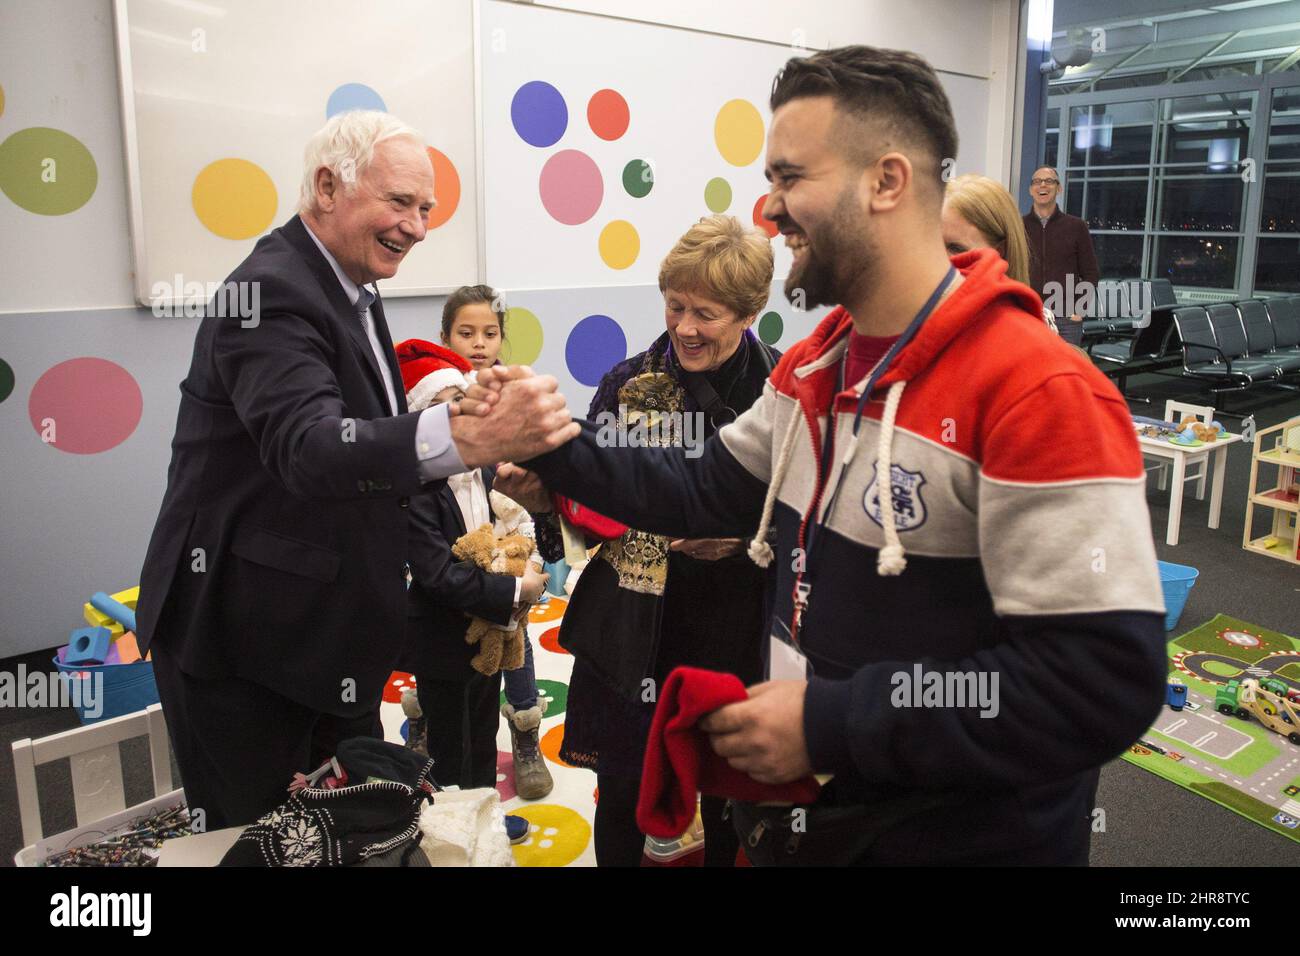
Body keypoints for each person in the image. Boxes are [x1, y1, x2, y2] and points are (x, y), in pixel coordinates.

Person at [489, 46, 1167, 865]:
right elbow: (699, 486)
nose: (770, 212)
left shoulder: (1038, 390)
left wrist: (829, 722)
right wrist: (549, 442)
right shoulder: (817, 365)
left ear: (886, 182)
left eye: (789, 178)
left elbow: (1099, 682)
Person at [135, 110, 578, 830]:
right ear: (327, 187)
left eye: (427, 208)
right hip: (245, 643)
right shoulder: (271, 294)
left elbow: (370, 440)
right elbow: (311, 448)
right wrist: (464, 437)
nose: (418, 226)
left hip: (326, 637)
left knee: (353, 824)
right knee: (262, 838)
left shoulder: (352, 288)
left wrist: (479, 457)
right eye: (400, 202)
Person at [503, 215, 779, 867]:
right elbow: (584, 519)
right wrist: (546, 502)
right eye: (675, 305)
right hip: (639, 632)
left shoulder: (784, 393)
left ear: (751, 311)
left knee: (732, 795)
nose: (684, 327)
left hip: (742, 625)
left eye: (705, 313)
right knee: (625, 791)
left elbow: (804, 512)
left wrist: (741, 537)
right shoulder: (627, 387)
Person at [395, 339, 560, 843]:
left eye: (459, 405)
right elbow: (438, 575)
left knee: (485, 727)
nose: (455, 419)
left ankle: (486, 814)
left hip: (491, 632)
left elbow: (512, 526)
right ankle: (452, 831)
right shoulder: (415, 488)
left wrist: (525, 560)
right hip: (443, 638)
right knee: (448, 741)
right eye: (441, 411)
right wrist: (515, 589)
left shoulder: (485, 468)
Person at [438, 285, 554, 800]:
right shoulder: (430, 398)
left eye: (489, 333)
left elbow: (524, 477)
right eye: (466, 333)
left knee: (513, 639)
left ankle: (526, 735)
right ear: (446, 338)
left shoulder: (511, 398)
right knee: (444, 642)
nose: (478, 343)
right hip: (449, 552)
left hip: (507, 550)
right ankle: (429, 725)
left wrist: (520, 553)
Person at [942, 173, 1057, 332]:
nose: (938, 260)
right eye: (932, 244)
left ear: (999, 252)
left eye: (956, 249)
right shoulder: (912, 318)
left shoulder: (1032, 328)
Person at [1022, 165, 1100, 346]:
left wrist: (1079, 310)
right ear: (1030, 190)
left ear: (1059, 188)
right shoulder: (1018, 226)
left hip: (1066, 319)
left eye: (1049, 181)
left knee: (1065, 372)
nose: (1043, 185)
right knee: (1031, 372)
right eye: (1037, 181)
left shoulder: (1076, 226)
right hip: (1028, 315)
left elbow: (1091, 273)